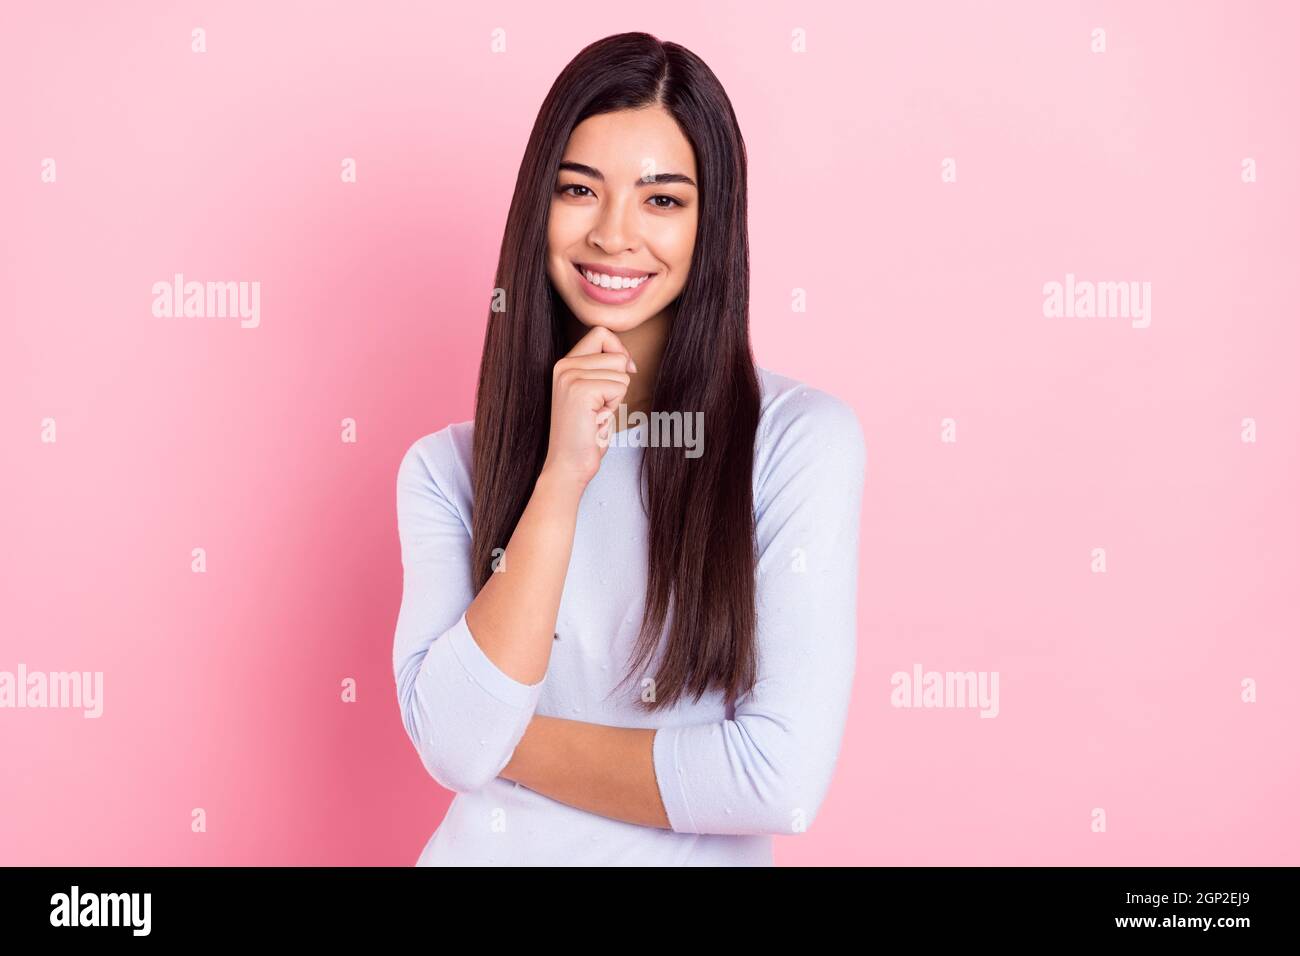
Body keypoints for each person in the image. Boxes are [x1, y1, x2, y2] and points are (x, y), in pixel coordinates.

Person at [393, 31, 866, 865]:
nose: (615, 235)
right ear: (539, 203)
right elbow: (455, 749)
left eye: (662, 200)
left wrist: (502, 740)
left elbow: (776, 779)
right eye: (581, 189)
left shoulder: (796, 443)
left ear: (710, 222)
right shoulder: (445, 472)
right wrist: (562, 475)